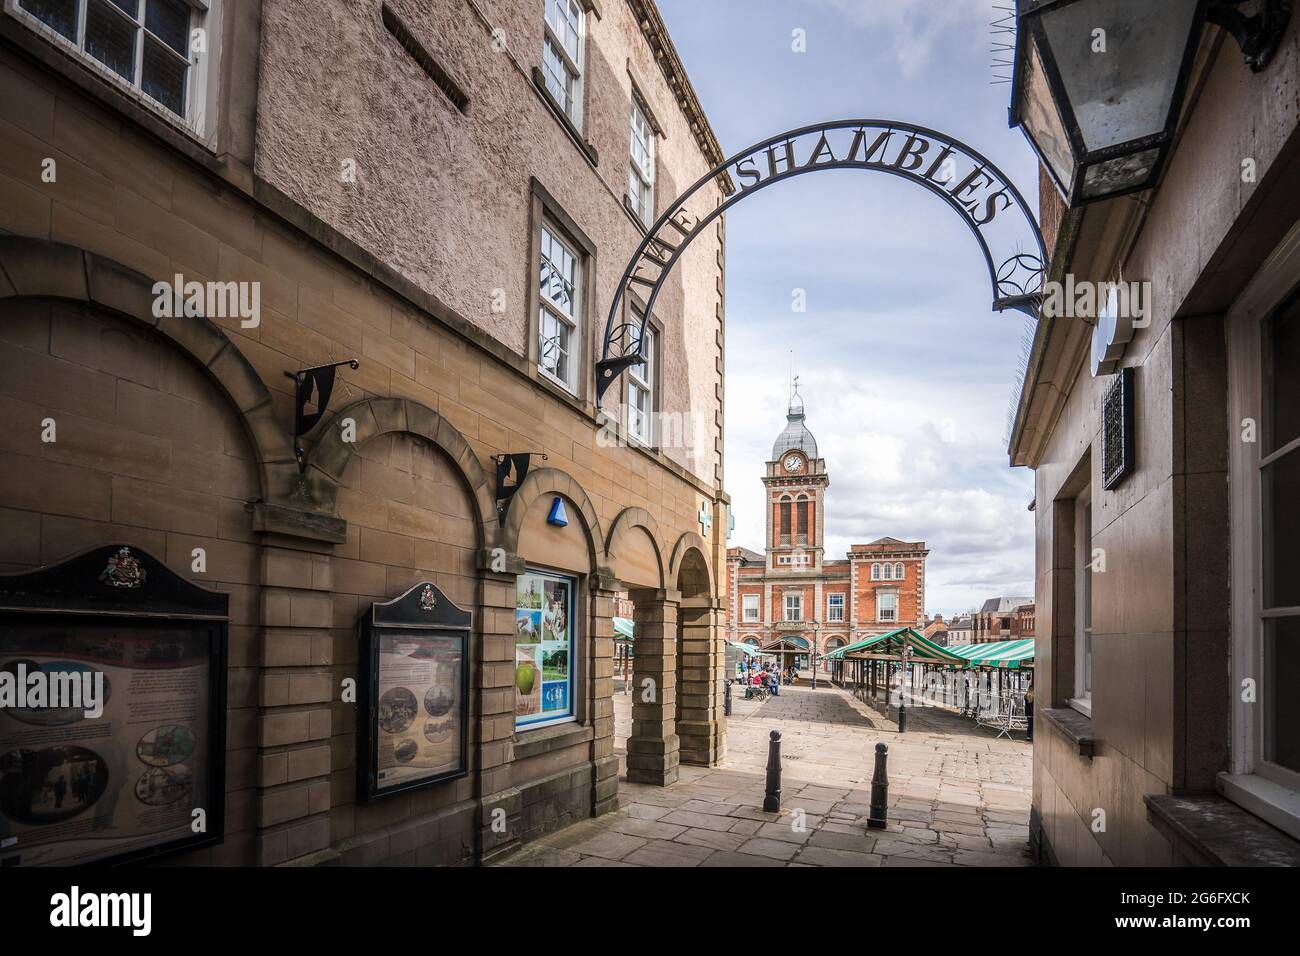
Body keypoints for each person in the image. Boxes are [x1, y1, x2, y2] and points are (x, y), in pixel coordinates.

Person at [1024, 676, 1035, 742]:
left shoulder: (1026, 696)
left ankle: (1028, 736)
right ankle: (1030, 736)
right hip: (1032, 713)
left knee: (1030, 725)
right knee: (1032, 725)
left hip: (1027, 713)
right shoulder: (1034, 697)